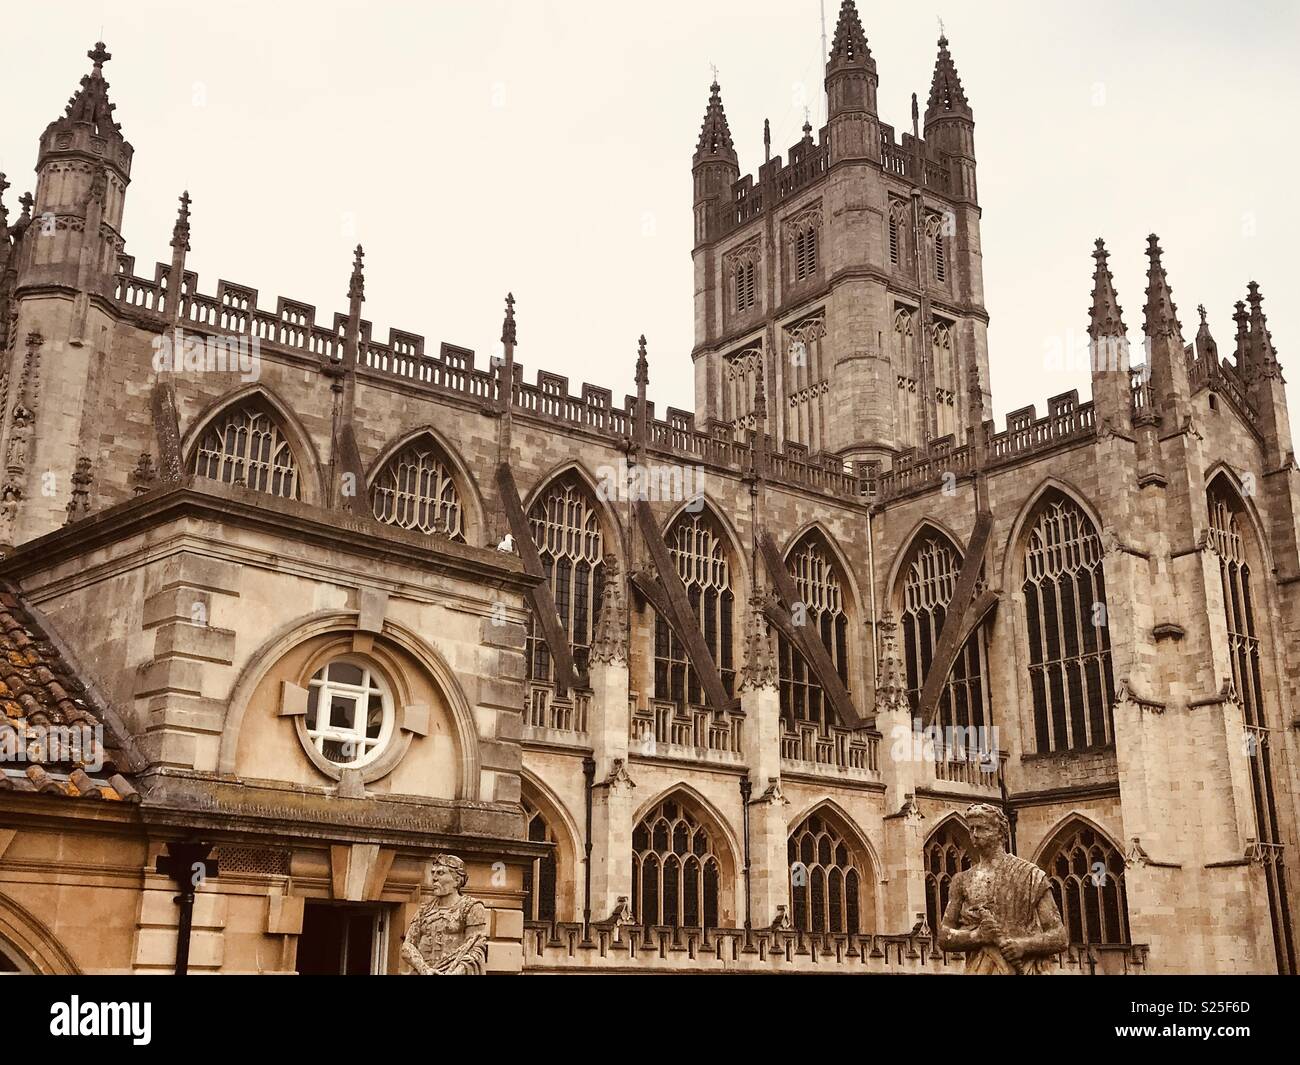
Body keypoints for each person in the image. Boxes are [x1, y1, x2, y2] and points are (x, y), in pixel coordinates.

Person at [937, 804, 1068, 974]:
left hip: (1024, 968)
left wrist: (1022, 945)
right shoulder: (962, 880)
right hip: (980, 968)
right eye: (971, 829)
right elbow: (944, 936)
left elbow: (1060, 937)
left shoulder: (1031, 875)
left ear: (1000, 832)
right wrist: (977, 936)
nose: (975, 835)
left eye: (982, 828)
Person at [400, 854, 489, 975]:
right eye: (433, 873)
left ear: (457, 880)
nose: (434, 878)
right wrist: (425, 969)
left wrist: (455, 973)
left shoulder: (470, 907)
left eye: (440, 873)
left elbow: (475, 949)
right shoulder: (424, 911)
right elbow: (407, 946)